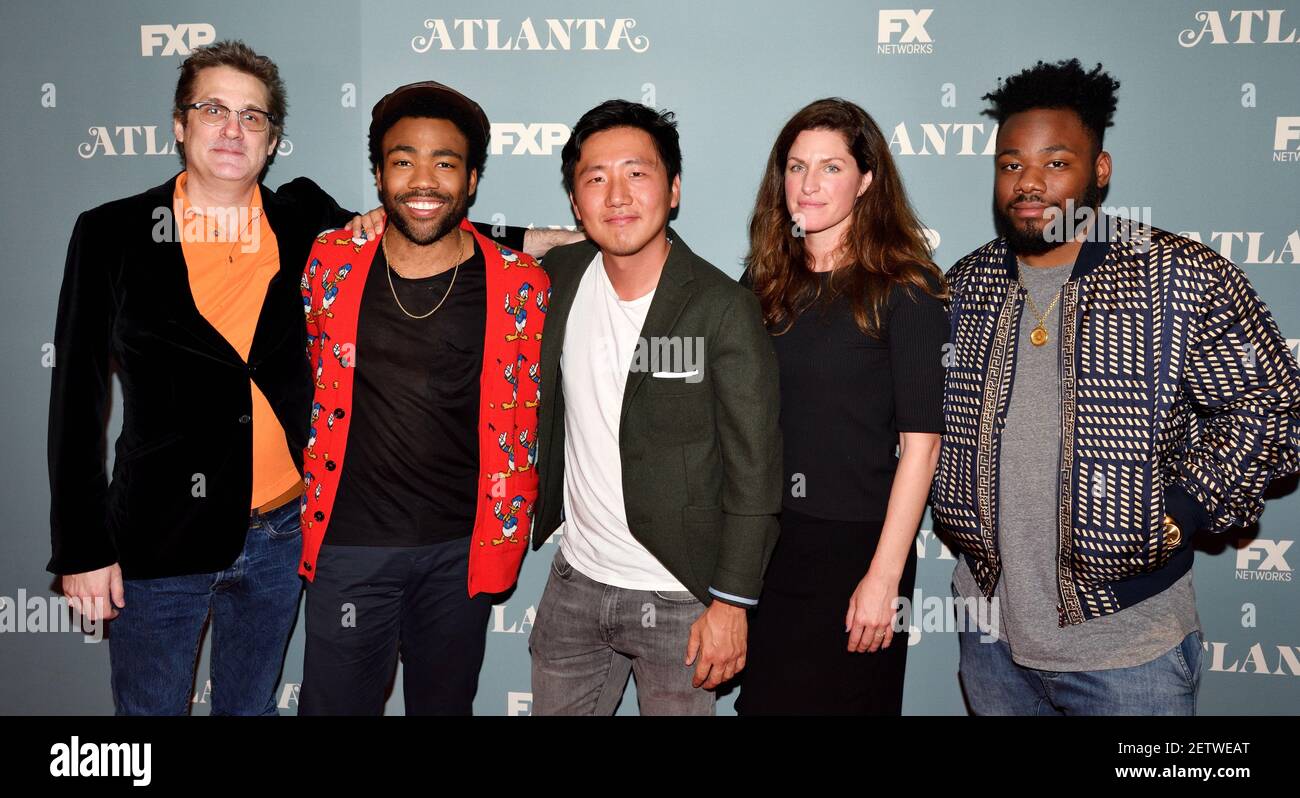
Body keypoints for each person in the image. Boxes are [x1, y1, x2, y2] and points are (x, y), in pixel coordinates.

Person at [47, 39, 555, 716]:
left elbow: (425, 216)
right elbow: (77, 398)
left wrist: (557, 237)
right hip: (159, 538)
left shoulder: (300, 217)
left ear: (274, 137)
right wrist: (82, 547)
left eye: (253, 117)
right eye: (214, 109)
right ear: (179, 123)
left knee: (250, 709)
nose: (234, 129)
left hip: (282, 537)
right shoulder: (112, 233)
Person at [931, 59, 1300, 715]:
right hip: (991, 637)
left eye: (1056, 162)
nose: (1030, 183)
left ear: (1099, 170)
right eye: (1011, 164)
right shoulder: (966, 285)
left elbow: (1273, 405)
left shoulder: (1178, 277)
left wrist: (1185, 509)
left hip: (1128, 648)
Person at [295, 81, 548, 715]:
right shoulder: (330, 260)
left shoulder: (520, 283)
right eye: (403, 160)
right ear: (379, 175)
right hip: (349, 548)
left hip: (460, 552)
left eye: (446, 162)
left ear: (472, 180)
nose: (423, 179)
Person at [527, 100, 782, 715]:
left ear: (673, 190)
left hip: (681, 599)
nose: (617, 194)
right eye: (596, 178)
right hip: (575, 584)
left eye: (637, 173)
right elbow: (449, 234)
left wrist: (732, 603)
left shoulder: (722, 307)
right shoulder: (557, 275)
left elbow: (757, 472)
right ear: (574, 202)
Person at [734, 99, 947, 715]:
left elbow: (922, 446)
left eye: (831, 168)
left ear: (867, 180)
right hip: (770, 544)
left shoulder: (907, 288)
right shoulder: (766, 281)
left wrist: (884, 577)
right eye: (796, 167)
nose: (808, 184)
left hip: (858, 549)